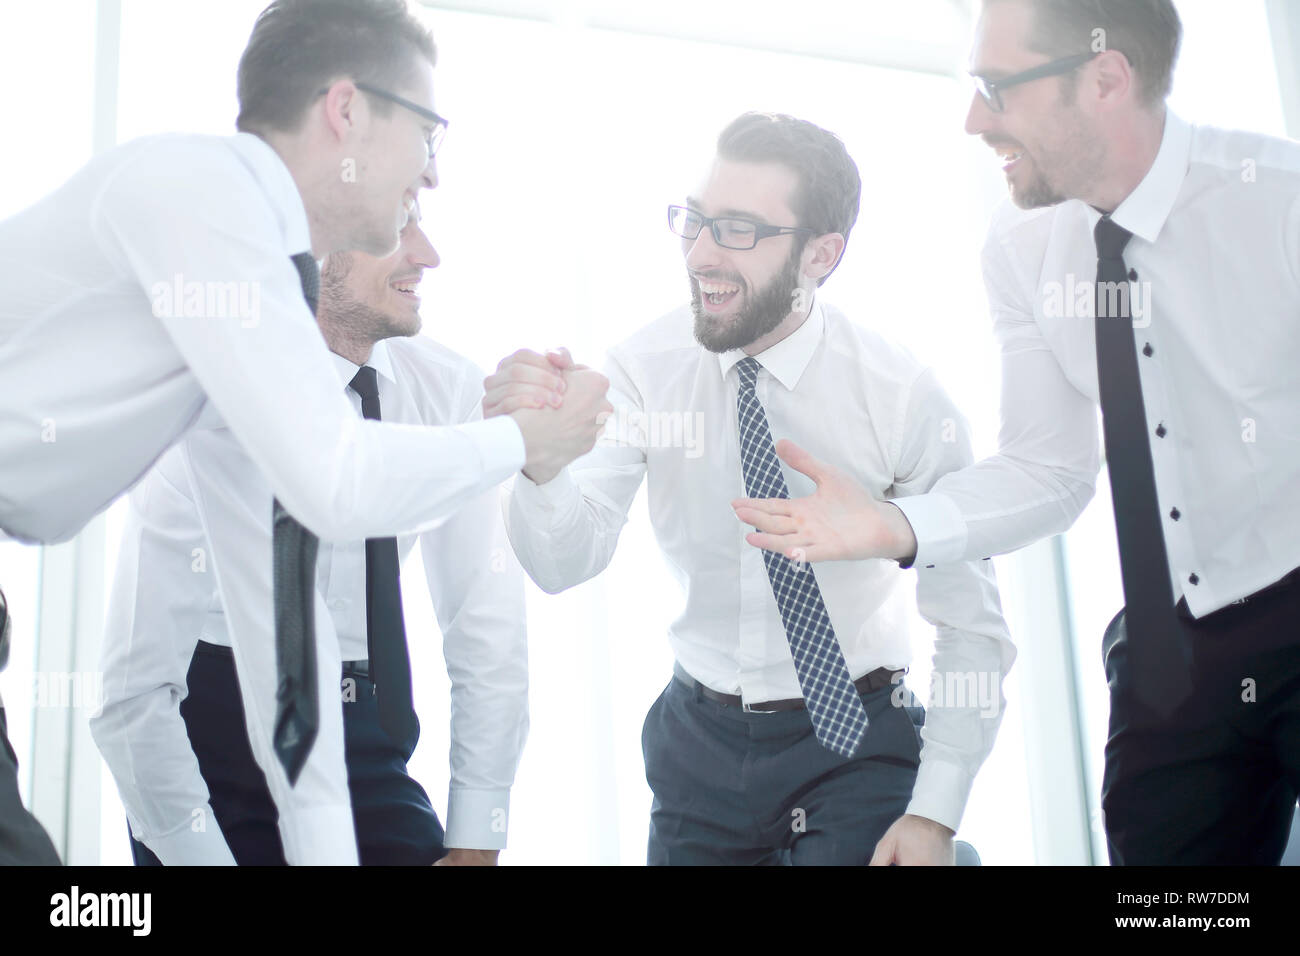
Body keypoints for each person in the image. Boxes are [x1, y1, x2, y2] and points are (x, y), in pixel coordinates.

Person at [0, 0, 607, 864]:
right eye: (429, 131)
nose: (431, 175)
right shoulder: (199, 195)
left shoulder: (248, 316)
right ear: (347, 111)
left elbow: (278, 620)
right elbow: (339, 480)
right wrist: (523, 442)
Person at [734, 0, 1300, 864]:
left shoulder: (1279, 202)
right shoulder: (1024, 241)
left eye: (997, 87)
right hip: (1168, 650)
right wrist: (900, 524)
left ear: (1107, 78)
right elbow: (1050, 468)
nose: (972, 119)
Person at [490, 113, 1014, 865]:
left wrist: (936, 814)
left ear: (821, 255)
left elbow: (972, 623)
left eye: (737, 229)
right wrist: (541, 463)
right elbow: (562, 562)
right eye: (695, 221)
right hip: (696, 746)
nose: (701, 253)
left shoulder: (900, 396)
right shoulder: (644, 367)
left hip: (856, 741)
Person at [93, 210, 530, 866]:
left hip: (366, 732)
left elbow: (484, 627)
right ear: (316, 251)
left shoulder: (447, 389)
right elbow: (133, 693)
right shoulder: (207, 396)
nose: (428, 254)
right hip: (212, 741)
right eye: (394, 230)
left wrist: (476, 832)